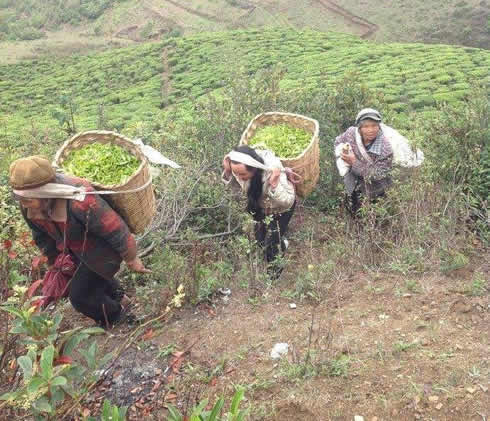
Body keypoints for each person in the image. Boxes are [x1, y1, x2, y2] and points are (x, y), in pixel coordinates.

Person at [9, 156, 150, 327]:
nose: (24, 203)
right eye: (20, 198)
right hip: (74, 246)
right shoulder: (29, 206)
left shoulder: (80, 201)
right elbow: (40, 235)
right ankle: (121, 298)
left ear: (45, 192)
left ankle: (117, 317)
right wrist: (54, 260)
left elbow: (115, 228)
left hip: (102, 247)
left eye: (28, 198)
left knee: (80, 296)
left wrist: (132, 258)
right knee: (88, 277)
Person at [222, 145, 296, 279]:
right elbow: (236, 191)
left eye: (243, 174)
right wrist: (228, 172)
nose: (239, 177)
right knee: (259, 241)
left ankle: (273, 279)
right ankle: (282, 244)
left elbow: (288, 201)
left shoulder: (272, 171)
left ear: (254, 169)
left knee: (271, 245)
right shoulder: (239, 169)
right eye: (236, 173)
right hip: (260, 207)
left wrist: (273, 185)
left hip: (281, 209)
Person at [334, 108, 393, 216]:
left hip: (375, 191)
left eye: (374, 125)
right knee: (353, 212)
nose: (370, 130)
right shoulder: (351, 133)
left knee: (374, 218)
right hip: (353, 184)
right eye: (366, 126)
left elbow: (378, 174)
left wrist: (354, 162)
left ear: (379, 126)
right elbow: (338, 141)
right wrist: (342, 152)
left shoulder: (385, 148)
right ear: (359, 127)